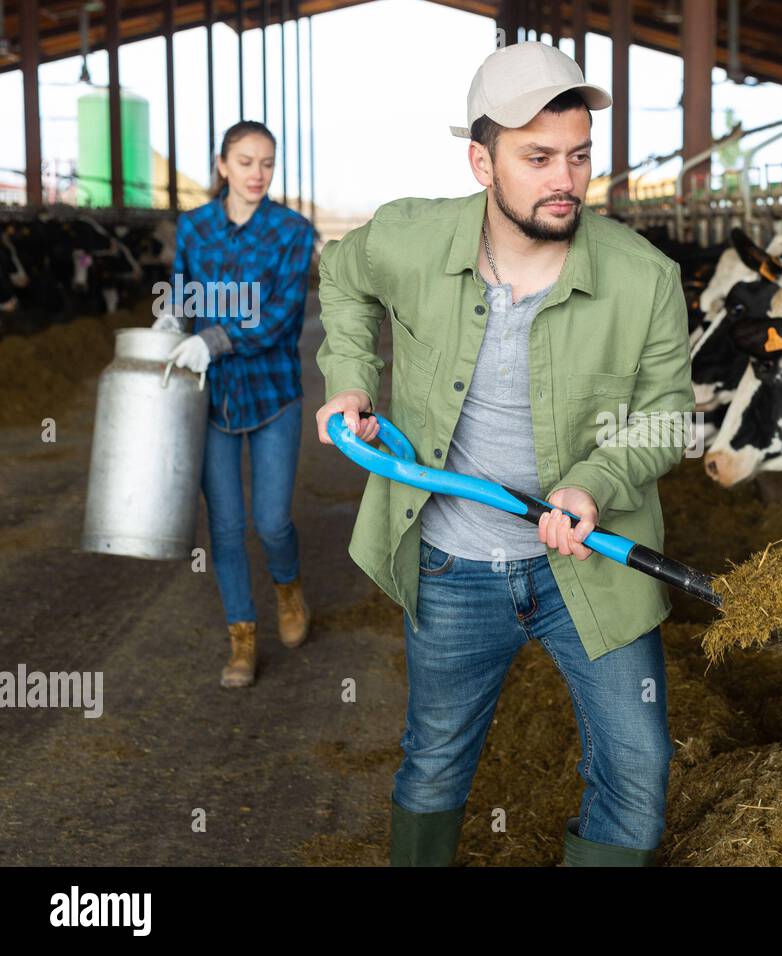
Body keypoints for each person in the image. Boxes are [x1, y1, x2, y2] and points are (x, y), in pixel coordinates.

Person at [314, 41, 695, 867]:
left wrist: (597, 480)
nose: (566, 179)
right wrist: (352, 378)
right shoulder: (409, 237)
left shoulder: (646, 279)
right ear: (482, 163)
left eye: (580, 155)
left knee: (639, 766)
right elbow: (340, 278)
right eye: (538, 158)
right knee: (435, 761)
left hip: (592, 566)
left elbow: (670, 413)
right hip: (454, 565)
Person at [157, 120, 319, 689]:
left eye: (267, 163)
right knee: (225, 527)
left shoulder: (293, 231)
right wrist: (170, 326)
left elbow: (281, 318)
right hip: (210, 398)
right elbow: (181, 293)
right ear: (222, 165)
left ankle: (288, 586)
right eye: (246, 161)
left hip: (273, 392)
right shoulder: (195, 227)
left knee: (271, 521)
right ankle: (242, 640)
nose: (257, 174)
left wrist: (214, 339)